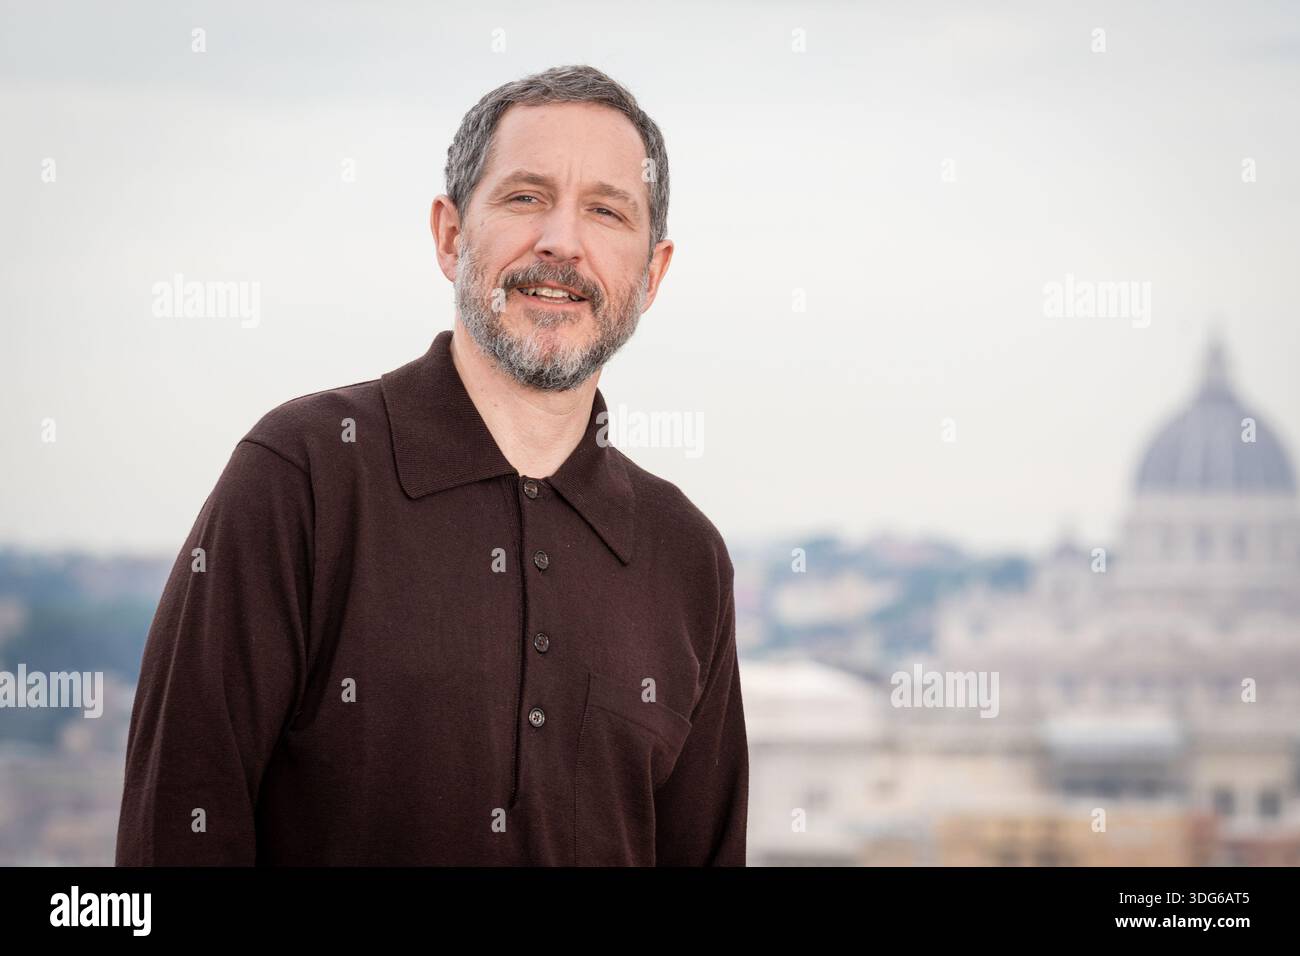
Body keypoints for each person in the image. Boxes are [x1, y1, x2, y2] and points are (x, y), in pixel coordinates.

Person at [115, 64, 748, 866]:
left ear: (651, 274)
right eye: (526, 197)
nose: (562, 241)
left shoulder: (686, 557)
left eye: (605, 211)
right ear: (451, 236)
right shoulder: (301, 478)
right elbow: (174, 834)